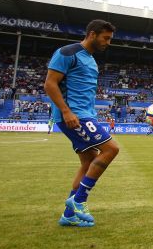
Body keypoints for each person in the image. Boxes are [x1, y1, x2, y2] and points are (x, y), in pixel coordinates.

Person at [43, 19, 120, 228]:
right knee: (111, 149)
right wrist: (66, 111)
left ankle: (68, 215)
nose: (108, 42)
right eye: (106, 38)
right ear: (92, 34)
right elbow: (50, 84)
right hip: (75, 116)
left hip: (85, 115)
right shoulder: (67, 52)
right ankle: (78, 201)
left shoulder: (91, 59)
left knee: (88, 162)